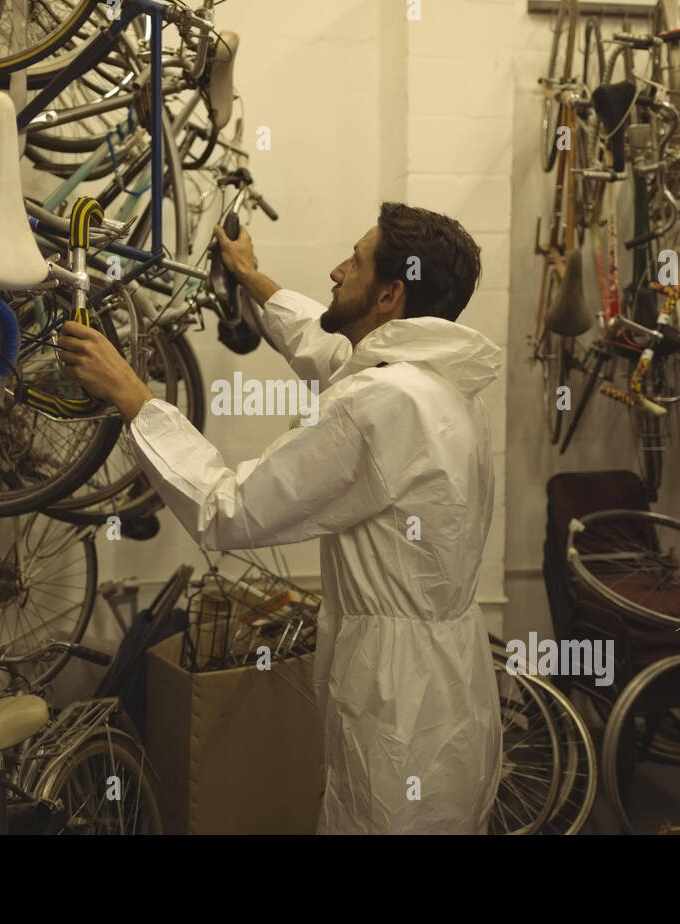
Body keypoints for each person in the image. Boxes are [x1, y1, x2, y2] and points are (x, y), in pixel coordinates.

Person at [58, 201, 504, 834]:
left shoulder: (377, 404)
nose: (335, 269)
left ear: (389, 294)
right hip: (450, 682)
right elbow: (325, 346)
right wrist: (248, 274)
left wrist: (134, 397)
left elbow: (229, 511)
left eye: (353, 261)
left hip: (398, 703)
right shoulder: (436, 383)